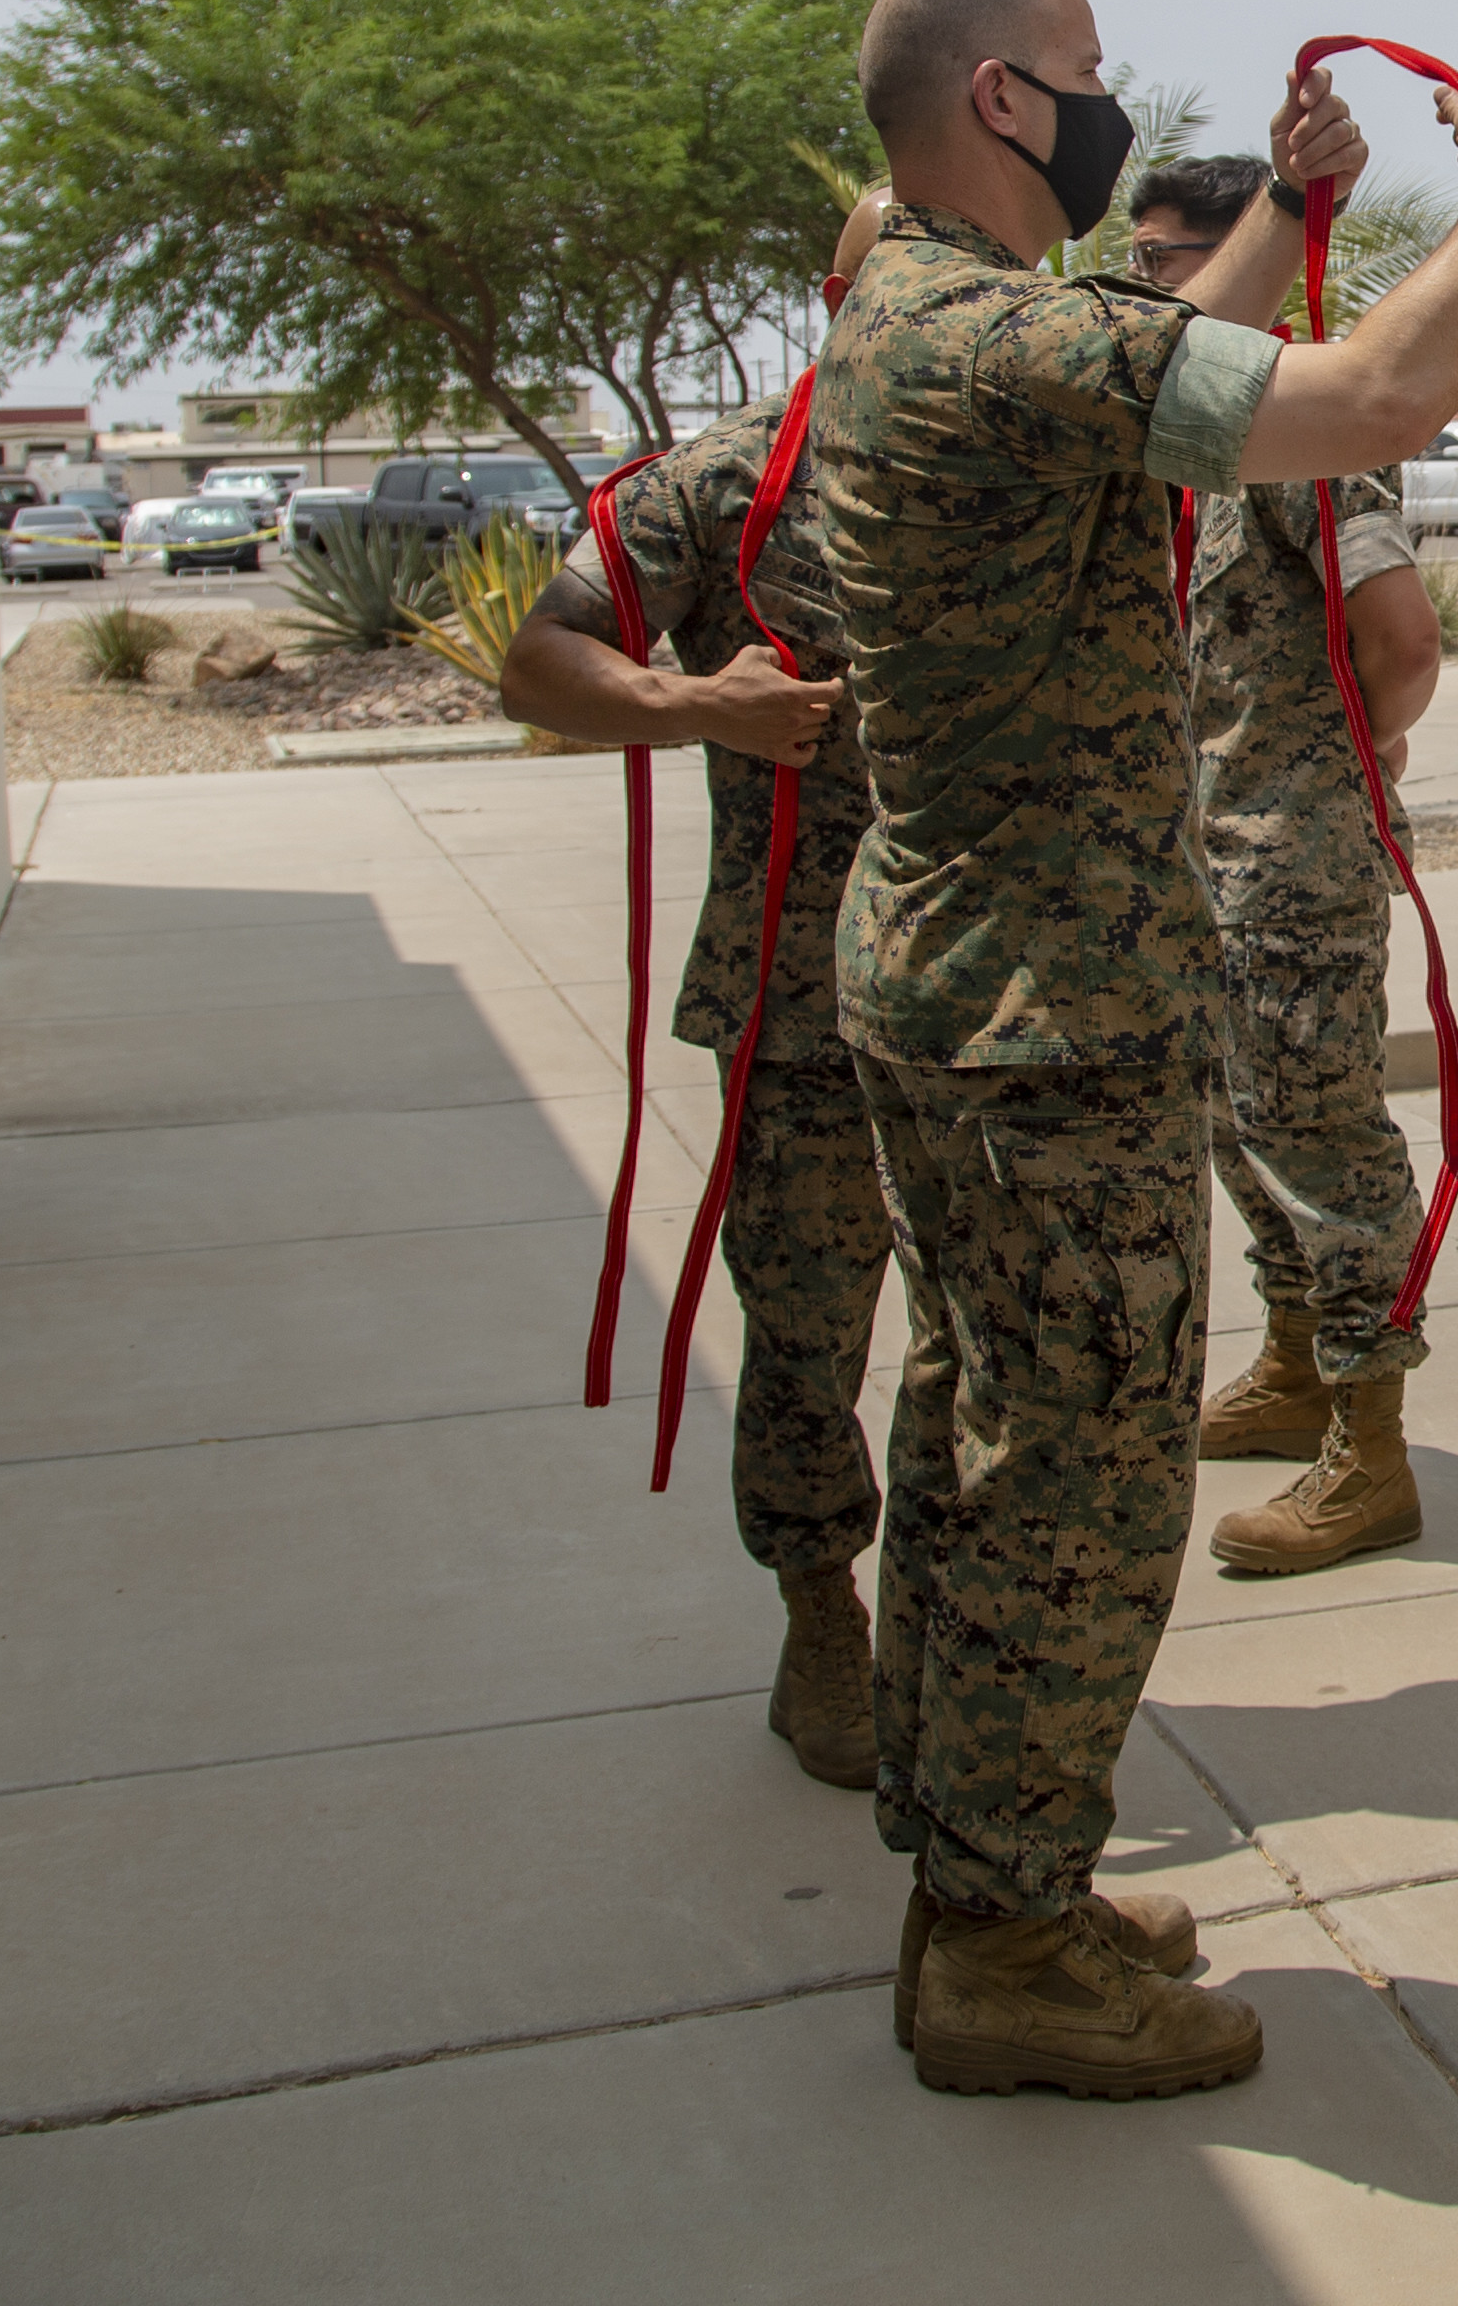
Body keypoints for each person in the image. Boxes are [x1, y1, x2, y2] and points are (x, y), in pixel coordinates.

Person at [815, 0, 1458, 2099]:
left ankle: (990, 1874)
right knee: (1074, 1474)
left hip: (955, 982)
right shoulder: (983, 331)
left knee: (975, 1429)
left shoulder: (921, 312)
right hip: (1050, 1017)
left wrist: (1289, 217)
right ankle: (1007, 1955)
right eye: (1088, 75)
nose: (1113, 98)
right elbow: (1365, 408)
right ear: (1008, 105)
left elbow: (1148, 357)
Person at [496, 191, 901, 1787]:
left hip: (1022, 1001)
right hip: (807, 999)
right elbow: (540, 660)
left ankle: (985, 1637)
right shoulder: (733, 479)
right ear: (837, 297)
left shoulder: (1034, 466)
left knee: (1014, 1345)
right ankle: (823, 1616)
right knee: (806, 1329)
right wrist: (691, 704)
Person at [1122, 151, 1445, 1577]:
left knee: (1325, 1150)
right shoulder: (1183, 447)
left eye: (1170, 261)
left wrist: (1328, 781)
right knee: (1234, 1131)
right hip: (1200, 869)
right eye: (1135, 261)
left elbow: (1406, 643)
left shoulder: (1297, 437)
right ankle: (1297, 1367)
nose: (1147, 288)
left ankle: (1369, 1454)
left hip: (1291, 870)